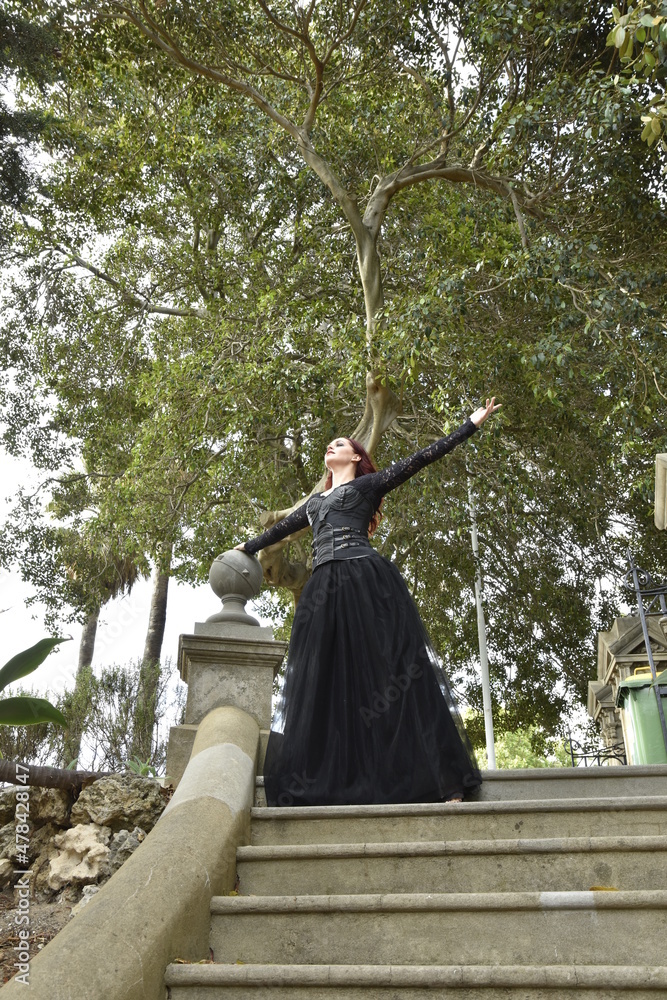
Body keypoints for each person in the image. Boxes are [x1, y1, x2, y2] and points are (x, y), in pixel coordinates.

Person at [235, 398, 501, 807]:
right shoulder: (315, 503)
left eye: (339, 443)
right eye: (330, 444)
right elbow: (282, 529)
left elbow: (421, 459)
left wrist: (470, 425)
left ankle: (443, 781)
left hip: (365, 580)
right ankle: (330, 779)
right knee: (323, 680)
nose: (331, 446)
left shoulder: (366, 485)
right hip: (323, 590)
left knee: (394, 674)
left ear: (356, 457)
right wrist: (247, 548)